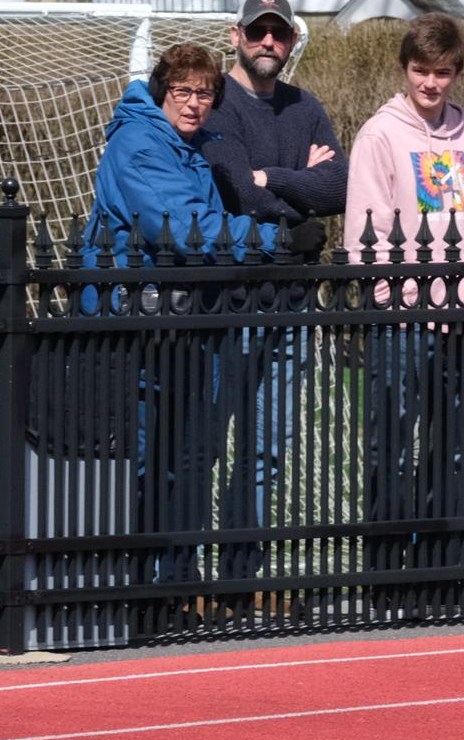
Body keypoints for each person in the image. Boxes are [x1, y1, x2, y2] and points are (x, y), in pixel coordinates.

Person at [83, 42, 275, 630]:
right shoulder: (140, 143)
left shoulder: (195, 147)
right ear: (163, 89)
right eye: (184, 92)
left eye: (205, 94)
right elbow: (182, 227)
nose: (195, 104)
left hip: (189, 322)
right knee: (150, 454)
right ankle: (141, 589)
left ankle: (174, 582)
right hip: (145, 327)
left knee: (192, 453)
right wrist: (271, 238)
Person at [342, 12, 464, 613]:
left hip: (461, 317)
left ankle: (437, 570)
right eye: (421, 71)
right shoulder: (380, 135)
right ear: (405, 70)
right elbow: (366, 231)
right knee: (390, 443)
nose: (431, 83)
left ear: (456, 73)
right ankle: (384, 575)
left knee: (451, 445)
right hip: (403, 320)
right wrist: (399, 300)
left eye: (442, 72)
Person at [199, 0, 346, 611]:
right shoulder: (217, 102)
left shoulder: (304, 106)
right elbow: (231, 183)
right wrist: (293, 203)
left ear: (290, 41)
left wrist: (274, 180)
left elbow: (339, 185)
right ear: (236, 36)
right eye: (256, 30)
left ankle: (241, 577)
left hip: (289, 304)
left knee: (268, 447)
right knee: (199, 444)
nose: (267, 40)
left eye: (277, 32)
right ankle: (176, 575)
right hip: (225, 305)